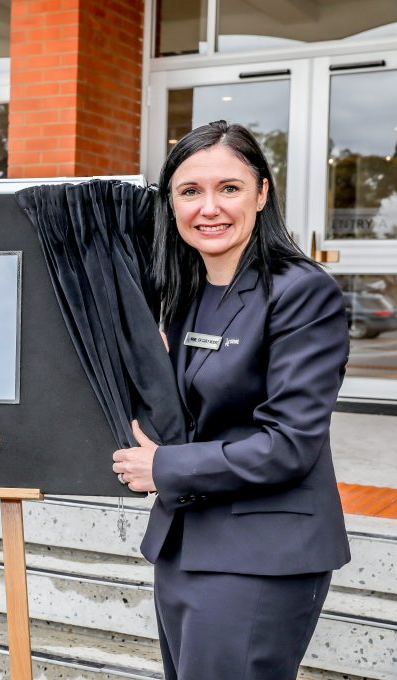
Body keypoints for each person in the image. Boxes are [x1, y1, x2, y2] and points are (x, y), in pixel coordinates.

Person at [111, 120, 350, 679]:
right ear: (171, 205)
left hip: (259, 553)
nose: (209, 208)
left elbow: (289, 444)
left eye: (230, 188)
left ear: (262, 193)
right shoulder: (186, 294)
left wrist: (163, 466)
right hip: (186, 543)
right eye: (190, 191)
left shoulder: (301, 292)